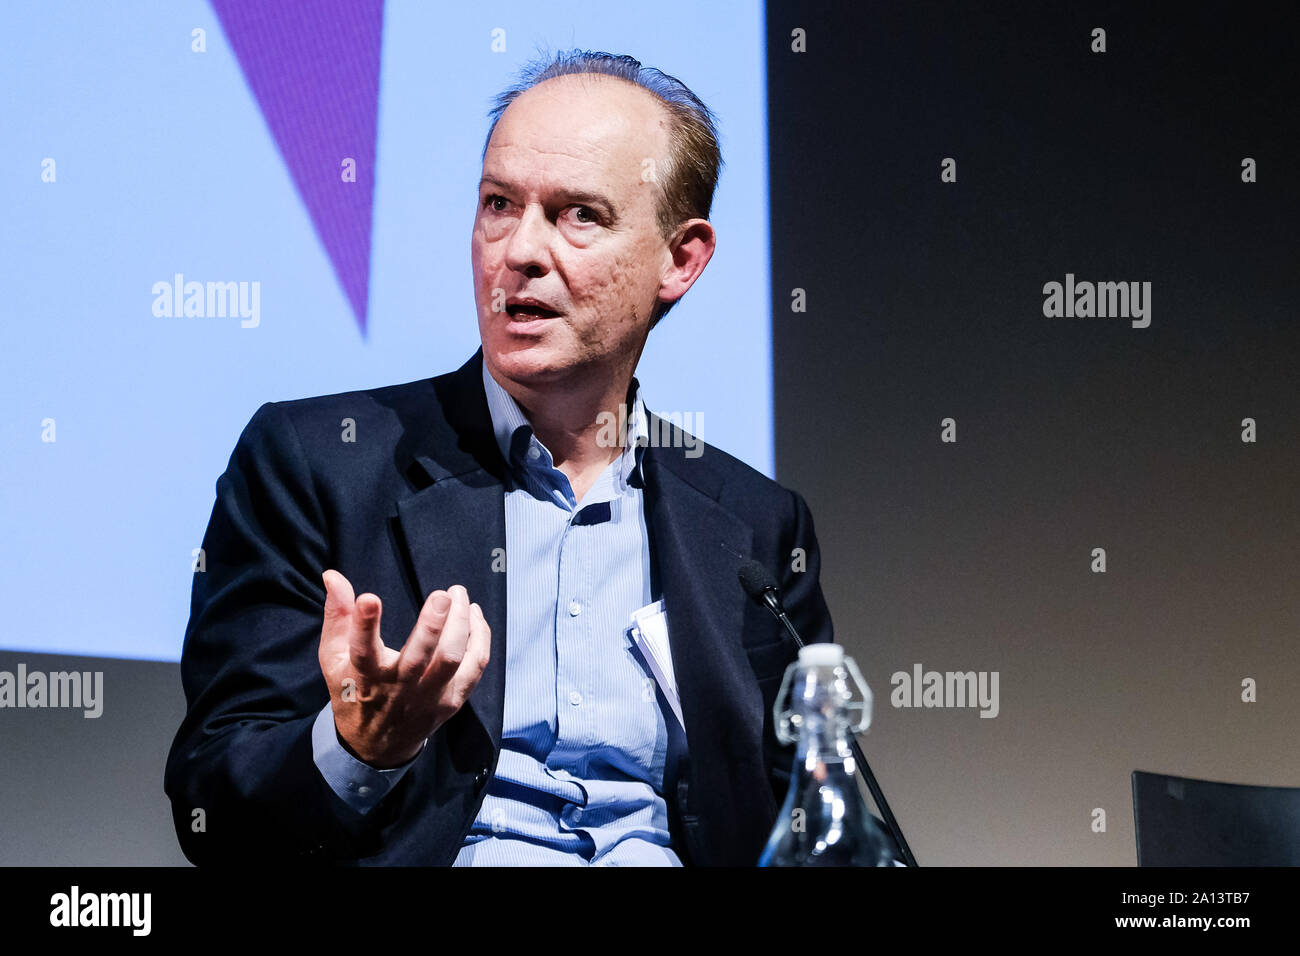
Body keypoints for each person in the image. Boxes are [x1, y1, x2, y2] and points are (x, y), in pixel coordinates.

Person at [165, 49, 894, 865]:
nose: (520, 250)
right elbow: (212, 804)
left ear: (680, 260)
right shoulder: (318, 466)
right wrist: (360, 747)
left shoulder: (756, 528)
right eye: (498, 204)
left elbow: (806, 814)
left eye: (579, 214)